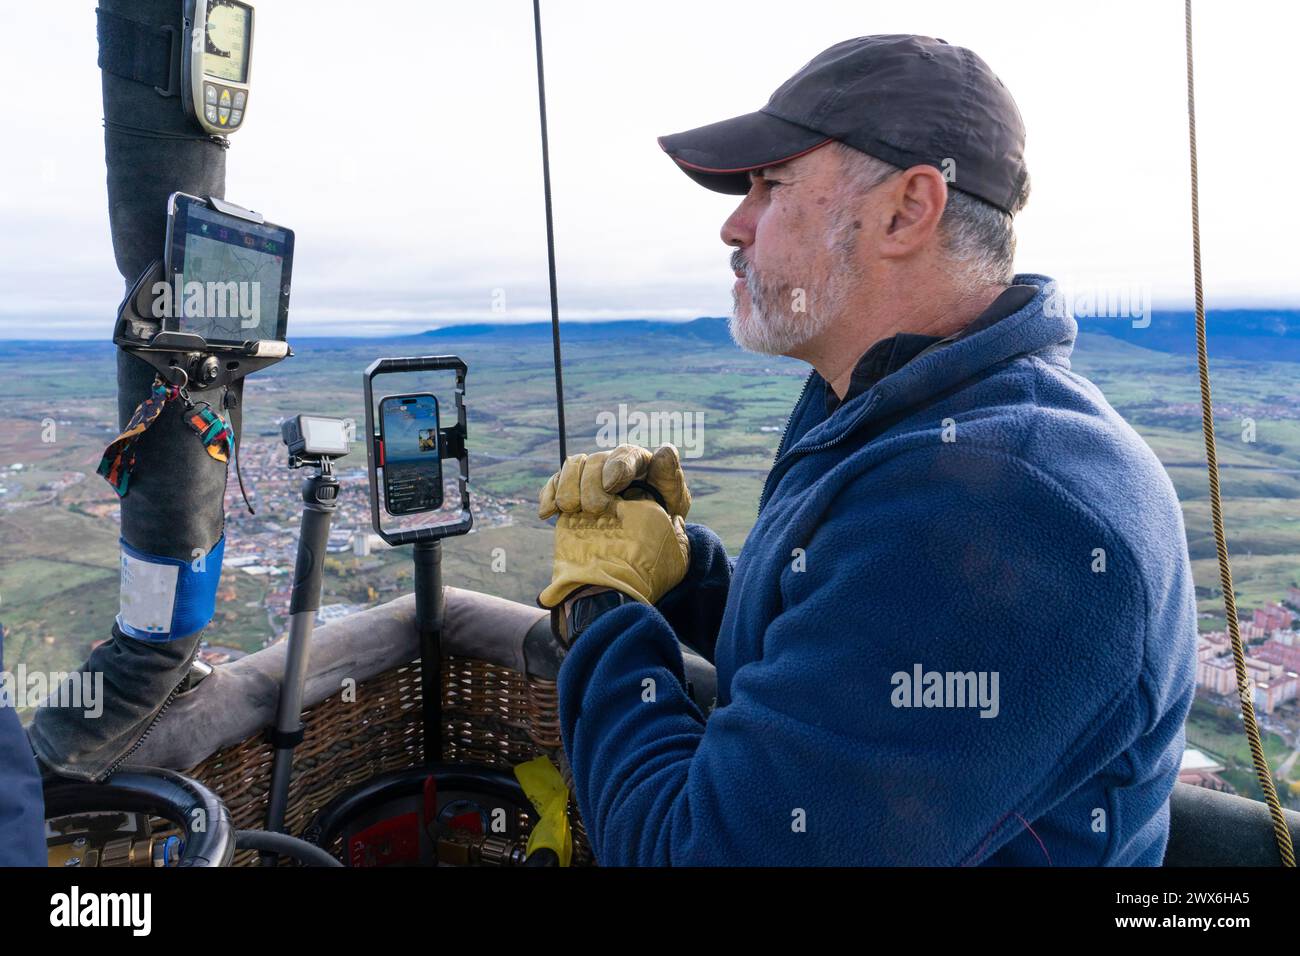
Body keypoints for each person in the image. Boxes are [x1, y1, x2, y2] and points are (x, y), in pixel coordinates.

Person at [537, 34, 1197, 866]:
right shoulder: (899, 409)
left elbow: (696, 851)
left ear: (907, 210)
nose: (733, 225)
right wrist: (684, 576)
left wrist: (604, 609)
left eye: (771, 184)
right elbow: (852, 647)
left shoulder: (1000, 512)